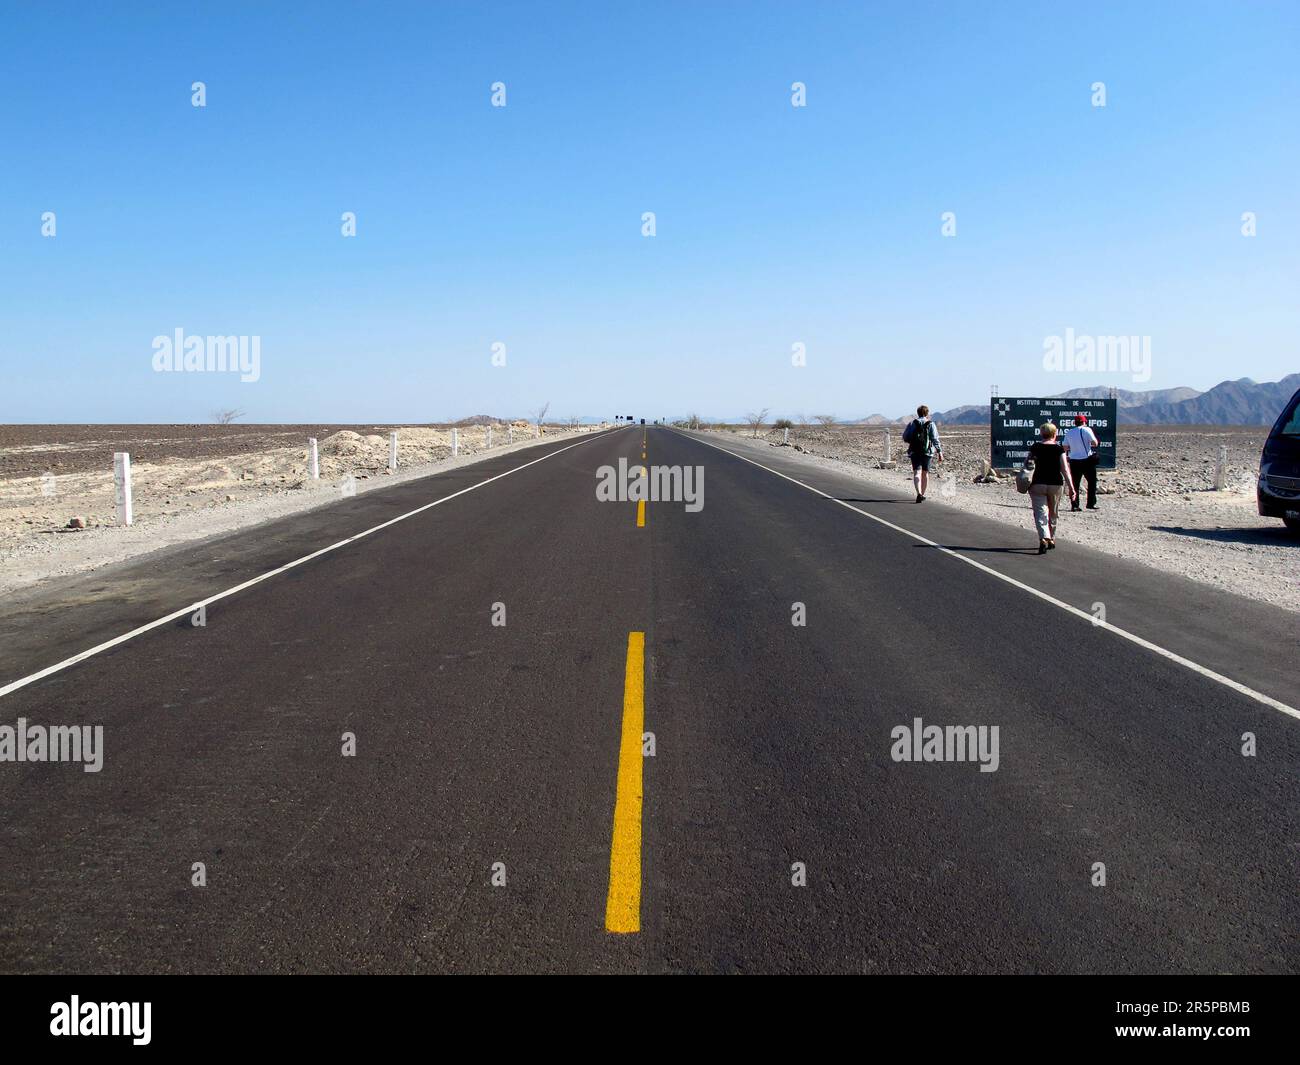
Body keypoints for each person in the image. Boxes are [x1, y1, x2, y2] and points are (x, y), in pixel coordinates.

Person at [1026, 422, 1075, 553]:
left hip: (1037, 484)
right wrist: (1071, 487)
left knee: (1040, 512)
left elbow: (1027, 464)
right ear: (1055, 434)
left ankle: (1043, 537)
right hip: (1055, 484)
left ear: (1042, 434)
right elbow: (1065, 469)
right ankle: (1051, 538)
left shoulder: (1035, 447)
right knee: (1053, 512)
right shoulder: (1059, 449)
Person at [903, 405, 943, 502]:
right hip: (927, 452)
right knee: (925, 474)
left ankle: (919, 493)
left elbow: (905, 437)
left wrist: (913, 442)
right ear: (927, 413)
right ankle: (922, 494)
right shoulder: (931, 424)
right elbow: (935, 439)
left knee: (917, 473)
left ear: (918, 413)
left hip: (914, 451)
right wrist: (940, 452)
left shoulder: (912, 423)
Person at [1061, 414, 1100, 511]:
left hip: (1074, 460)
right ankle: (1091, 503)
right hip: (1087, 460)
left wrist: (1073, 447)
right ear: (1084, 422)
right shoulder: (1087, 430)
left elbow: (1065, 447)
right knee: (1092, 482)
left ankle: (1074, 504)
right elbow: (1095, 443)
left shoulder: (1069, 432)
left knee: (1074, 484)